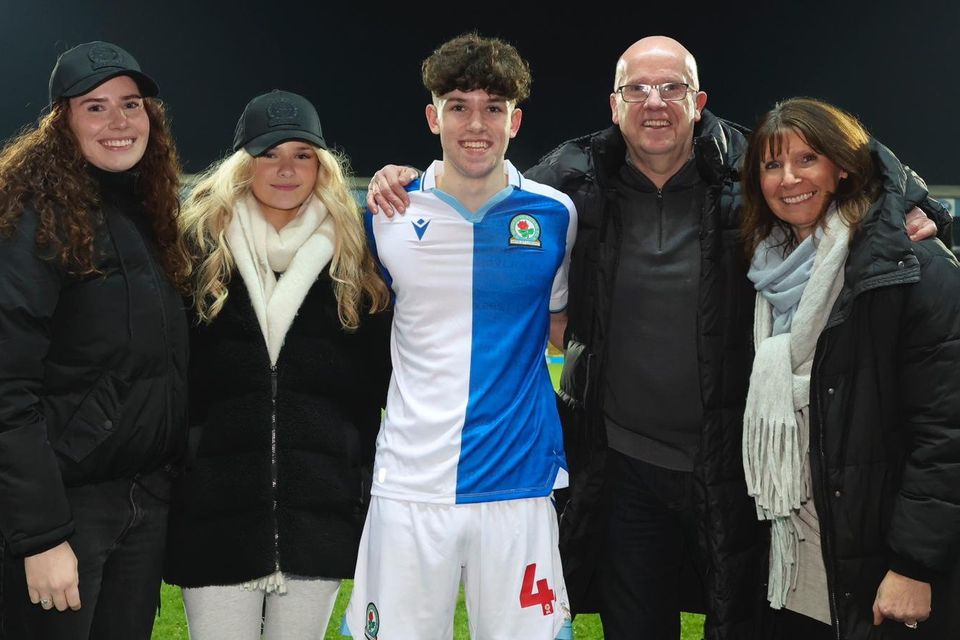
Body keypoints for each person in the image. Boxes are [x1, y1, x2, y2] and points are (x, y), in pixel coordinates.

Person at [365, 36, 950, 639]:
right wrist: (401, 175)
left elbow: (842, 154)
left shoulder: (749, 166)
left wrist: (927, 205)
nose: (655, 102)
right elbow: (480, 184)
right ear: (614, 104)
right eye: (637, 89)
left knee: (739, 621)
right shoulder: (572, 180)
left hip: (734, 467)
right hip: (625, 469)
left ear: (698, 101)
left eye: (671, 88)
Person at [343, 33, 576, 640]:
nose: (477, 123)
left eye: (494, 107)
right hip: (411, 480)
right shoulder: (386, 212)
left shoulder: (555, 214)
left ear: (516, 120)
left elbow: (556, 323)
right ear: (432, 116)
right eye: (458, 105)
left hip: (518, 483)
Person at [163, 90, 392, 640]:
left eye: (303, 154)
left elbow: (373, 390)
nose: (287, 169)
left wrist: (351, 477)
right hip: (214, 507)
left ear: (323, 165)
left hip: (318, 509)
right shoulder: (195, 247)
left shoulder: (356, 255)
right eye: (270, 153)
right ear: (244, 163)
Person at [740, 97, 960, 640]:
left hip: (880, 570)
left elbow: (946, 431)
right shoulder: (761, 269)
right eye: (772, 165)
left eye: (807, 159)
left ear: (842, 166)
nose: (789, 179)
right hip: (791, 564)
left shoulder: (911, 268)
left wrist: (914, 565)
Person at [0, 41, 187, 640]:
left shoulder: (144, 209)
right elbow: (8, 389)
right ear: (63, 122)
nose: (118, 123)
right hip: (69, 510)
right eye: (95, 107)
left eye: (130, 105)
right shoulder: (35, 216)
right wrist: (43, 537)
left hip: (141, 500)